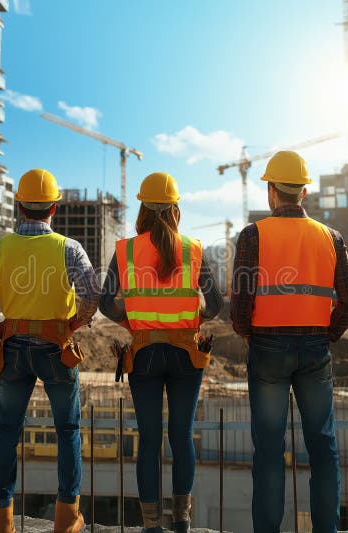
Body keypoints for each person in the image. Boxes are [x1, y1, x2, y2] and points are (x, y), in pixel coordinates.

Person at [231, 151, 348, 533]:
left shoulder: (253, 234)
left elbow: (239, 303)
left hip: (268, 348)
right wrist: (328, 333)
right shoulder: (331, 237)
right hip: (316, 349)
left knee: (269, 451)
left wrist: (248, 331)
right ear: (304, 191)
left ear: (271, 191)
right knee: (323, 448)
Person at [0, 168, 98, 533]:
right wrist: (73, 323)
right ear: (54, 207)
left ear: (19, 205)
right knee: (68, 429)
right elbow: (92, 293)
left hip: (12, 349)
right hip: (56, 347)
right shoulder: (68, 248)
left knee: (7, 429)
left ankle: (0, 522)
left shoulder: (0, 247)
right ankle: (66, 520)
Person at [99, 172, 222, 533]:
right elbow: (215, 304)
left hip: (145, 355)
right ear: (176, 209)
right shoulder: (194, 248)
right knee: (181, 436)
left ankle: (151, 526)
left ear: (142, 209)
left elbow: (106, 303)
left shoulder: (125, 250)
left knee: (150, 439)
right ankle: (182, 521)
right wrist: (191, 322)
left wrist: (132, 324)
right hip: (187, 355)